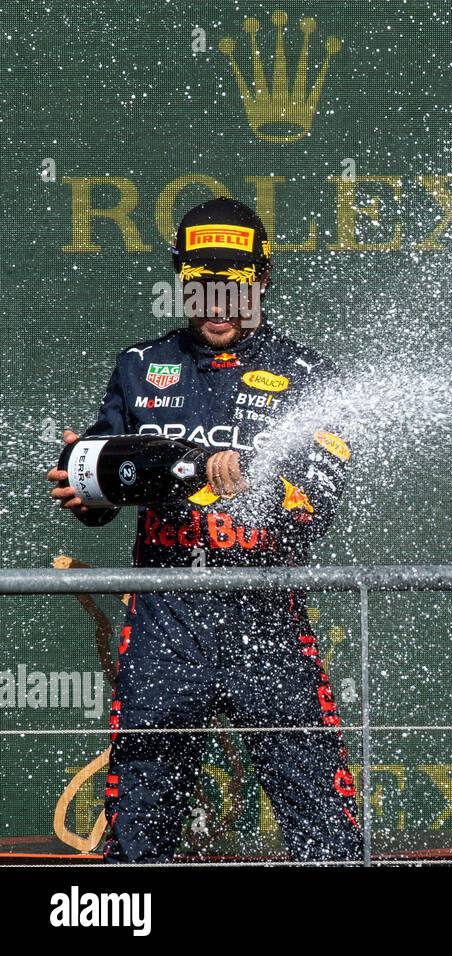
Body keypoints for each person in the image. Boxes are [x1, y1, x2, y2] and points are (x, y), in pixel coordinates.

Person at [46, 197, 361, 862]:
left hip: (264, 614)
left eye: (235, 288)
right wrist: (85, 492)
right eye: (201, 287)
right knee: (140, 826)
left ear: (263, 279)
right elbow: (104, 481)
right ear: (180, 280)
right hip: (166, 617)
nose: (217, 304)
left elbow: (319, 504)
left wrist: (260, 485)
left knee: (324, 827)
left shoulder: (311, 378)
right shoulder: (139, 365)